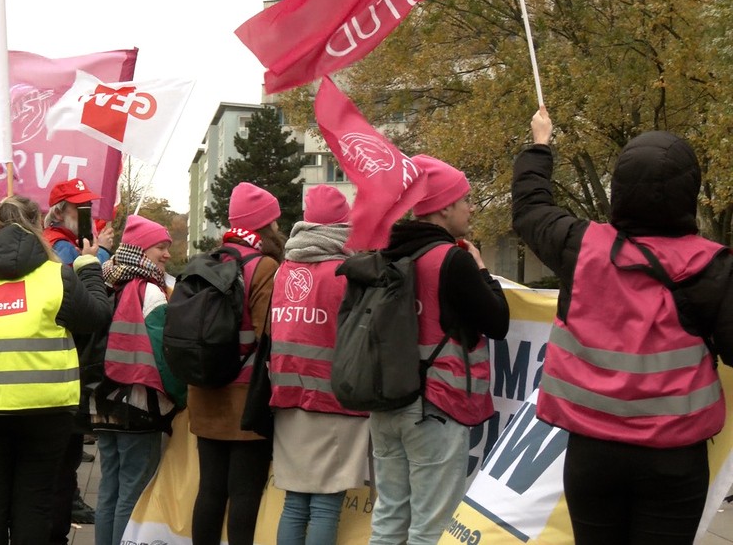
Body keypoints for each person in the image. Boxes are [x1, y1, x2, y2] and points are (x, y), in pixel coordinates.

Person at [513, 108, 733, 544]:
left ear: (618, 190)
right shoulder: (714, 268)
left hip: (592, 456)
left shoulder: (579, 246)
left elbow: (530, 209)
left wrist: (540, 145)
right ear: (688, 191)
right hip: (674, 460)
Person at [0, 195, 112, 545]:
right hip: (47, 408)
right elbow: (97, 316)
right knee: (34, 502)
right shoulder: (57, 277)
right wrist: (90, 267)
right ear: (39, 226)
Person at [367, 155, 509, 545]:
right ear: (444, 207)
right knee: (432, 527)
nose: (471, 207)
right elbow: (497, 322)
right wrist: (482, 271)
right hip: (436, 408)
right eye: (466, 199)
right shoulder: (452, 259)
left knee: (389, 516)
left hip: (386, 399)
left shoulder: (387, 254)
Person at [269, 185, 370, 545]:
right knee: (327, 506)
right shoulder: (347, 271)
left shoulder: (284, 270)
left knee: (294, 502)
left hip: (286, 397)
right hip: (335, 398)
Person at [190, 182, 283, 545]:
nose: (278, 229)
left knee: (210, 491)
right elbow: (268, 333)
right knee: (244, 494)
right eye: (274, 223)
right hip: (246, 403)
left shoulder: (205, 263)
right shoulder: (264, 267)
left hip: (204, 393)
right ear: (262, 226)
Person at [89, 215, 186, 545]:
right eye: (161, 247)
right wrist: (181, 400)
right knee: (133, 493)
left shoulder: (104, 283)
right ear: (143, 250)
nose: (167, 255)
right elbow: (164, 358)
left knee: (108, 491)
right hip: (138, 406)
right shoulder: (152, 294)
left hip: (101, 403)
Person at [44, 177, 112, 532]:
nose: (86, 211)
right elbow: (82, 298)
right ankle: (65, 503)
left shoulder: (67, 244)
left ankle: (65, 501)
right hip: (68, 354)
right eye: (79, 207)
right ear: (61, 211)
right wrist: (98, 257)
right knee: (65, 445)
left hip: (67, 356)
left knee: (66, 444)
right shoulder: (62, 248)